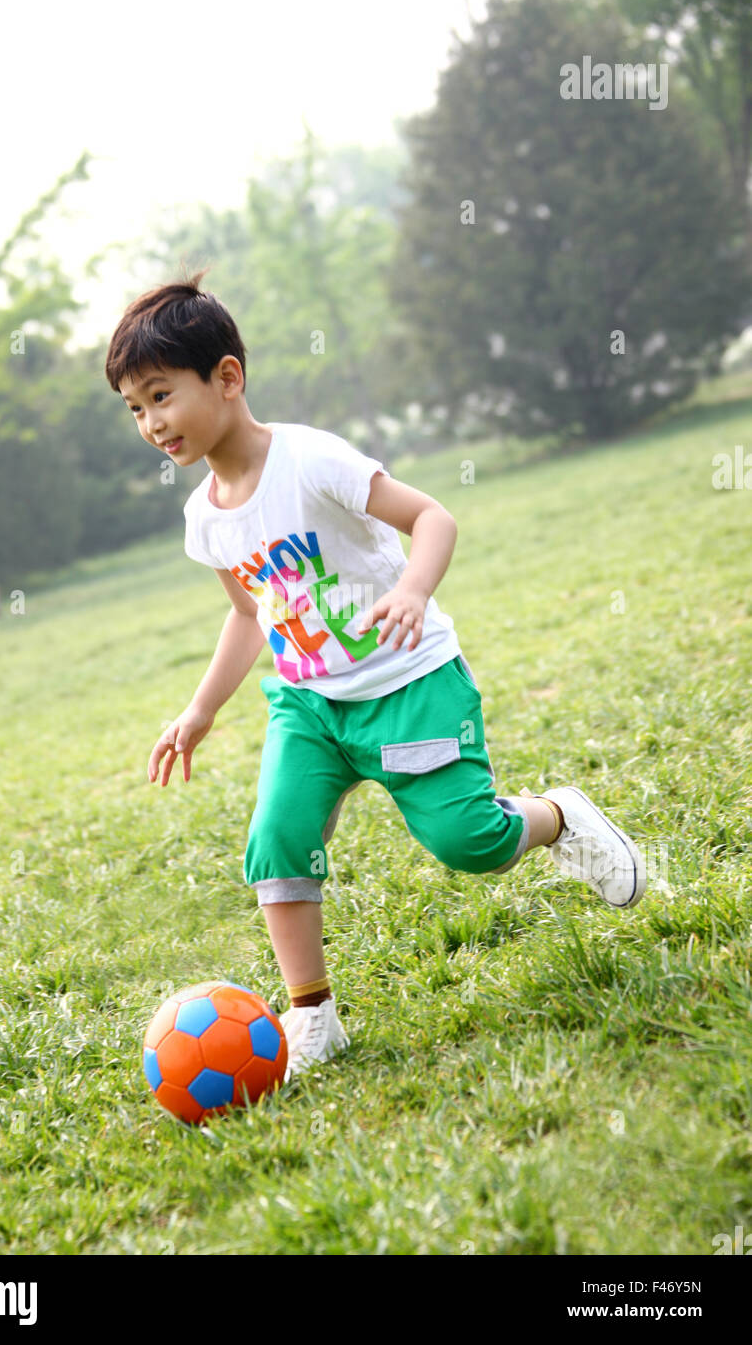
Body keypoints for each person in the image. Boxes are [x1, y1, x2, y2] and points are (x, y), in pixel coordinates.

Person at [105, 269, 645, 1079]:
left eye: (160, 395)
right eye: (134, 408)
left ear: (226, 377)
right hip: (309, 706)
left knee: (469, 843)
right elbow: (252, 613)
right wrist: (201, 708)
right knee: (278, 842)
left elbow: (433, 515)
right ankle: (311, 1014)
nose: (150, 422)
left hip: (410, 686)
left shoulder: (312, 459)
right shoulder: (206, 520)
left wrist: (411, 588)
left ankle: (558, 817)